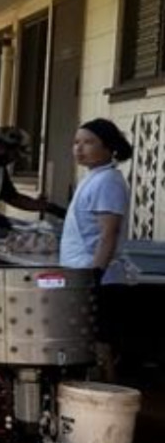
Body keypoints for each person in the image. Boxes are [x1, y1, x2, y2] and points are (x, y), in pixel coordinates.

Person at [60, 118, 137, 377]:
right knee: (90, 345)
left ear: (109, 147)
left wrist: (95, 273)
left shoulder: (108, 181)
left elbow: (109, 233)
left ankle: (104, 397)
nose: (79, 148)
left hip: (99, 278)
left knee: (100, 346)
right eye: (76, 142)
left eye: (89, 142)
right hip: (82, 274)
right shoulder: (93, 178)